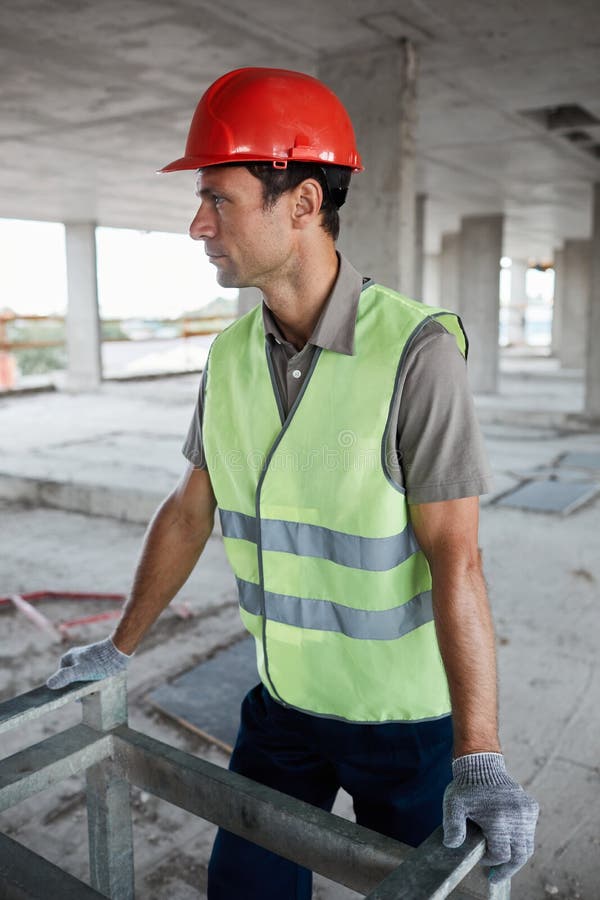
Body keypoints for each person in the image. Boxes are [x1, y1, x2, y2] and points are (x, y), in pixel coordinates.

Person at [47, 67, 538, 898]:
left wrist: (479, 753)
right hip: (281, 705)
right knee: (244, 887)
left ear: (304, 203)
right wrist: (117, 646)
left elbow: (457, 559)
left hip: (402, 722)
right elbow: (189, 511)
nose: (198, 224)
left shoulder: (416, 353)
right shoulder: (229, 355)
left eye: (220, 199)